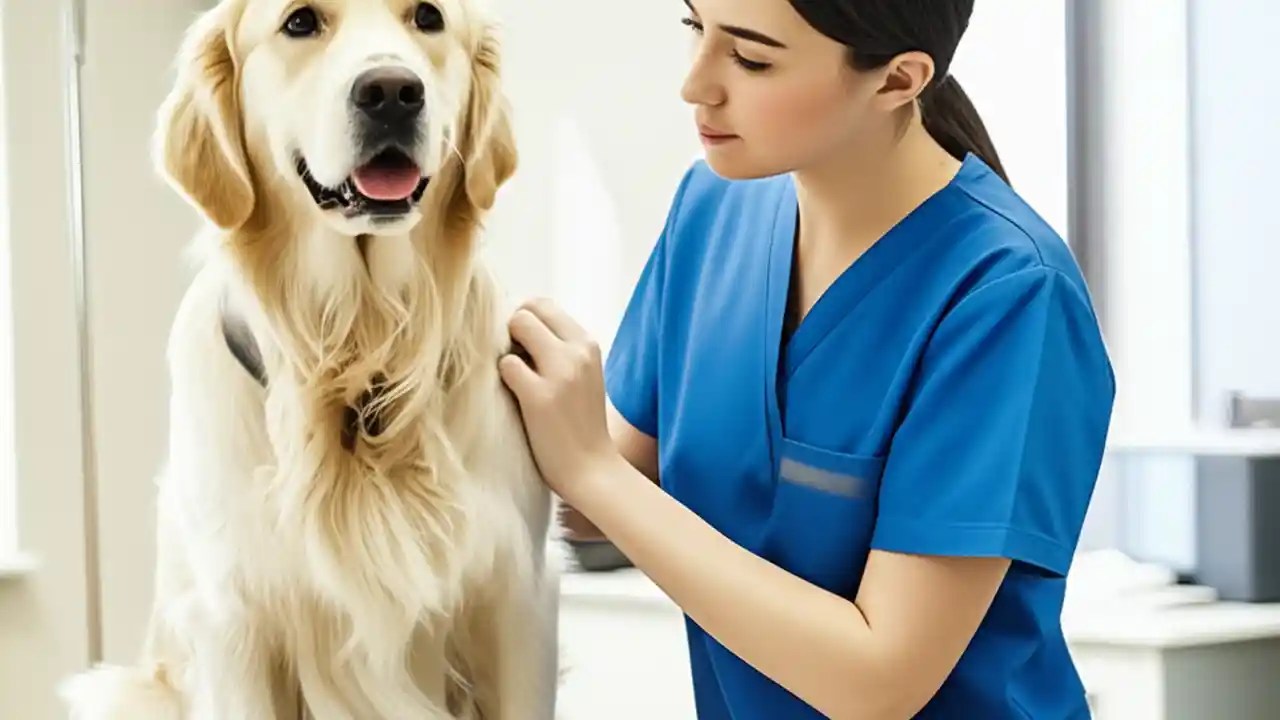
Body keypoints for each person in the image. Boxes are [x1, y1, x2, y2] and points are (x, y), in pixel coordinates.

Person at [498, 0, 1115, 717]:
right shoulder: (712, 208)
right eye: (696, 30)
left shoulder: (1009, 295)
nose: (695, 84)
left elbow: (877, 679)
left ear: (896, 81)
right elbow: (600, 493)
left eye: (752, 58)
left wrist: (592, 471)